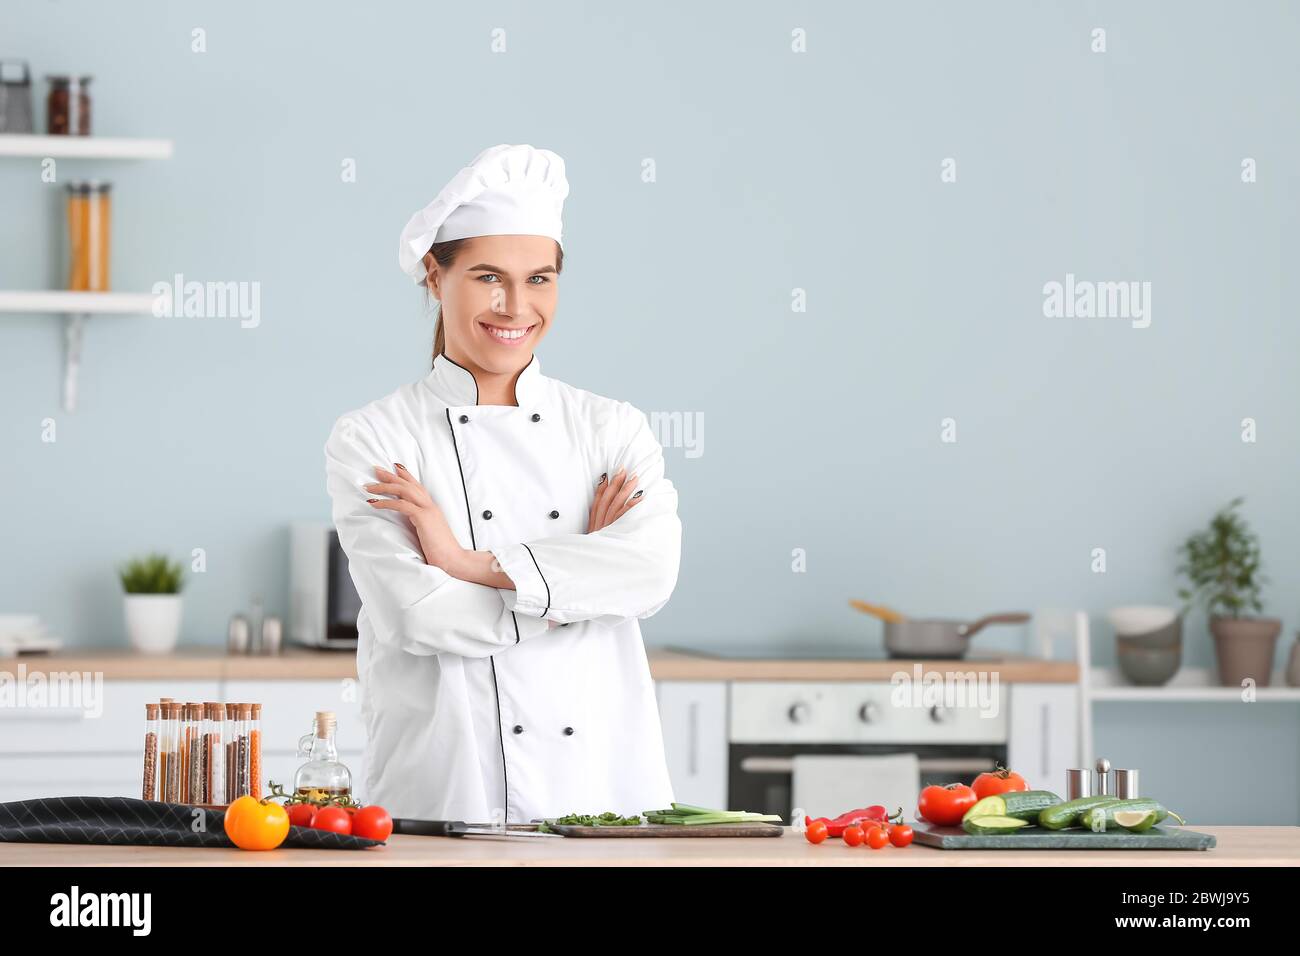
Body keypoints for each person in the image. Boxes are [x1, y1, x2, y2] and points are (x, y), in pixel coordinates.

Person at [324, 144, 681, 823]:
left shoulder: (612, 428)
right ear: (435, 275)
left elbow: (651, 575)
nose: (516, 305)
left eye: (539, 279)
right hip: (445, 792)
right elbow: (416, 615)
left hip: (600, 795)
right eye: (489, 276)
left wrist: (464, 565)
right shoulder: (374, 437)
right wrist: (578, 588)